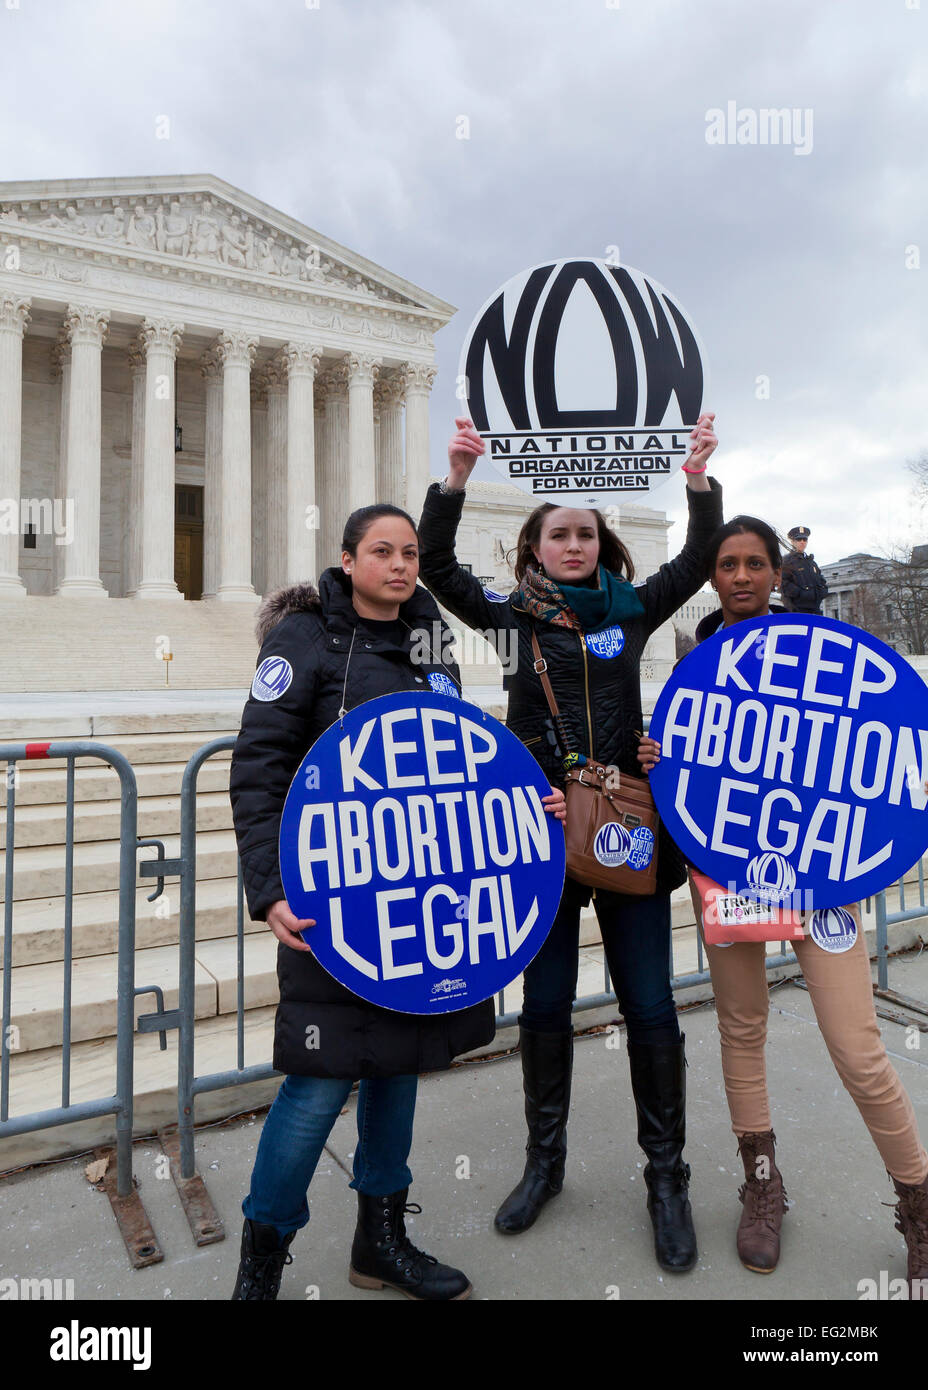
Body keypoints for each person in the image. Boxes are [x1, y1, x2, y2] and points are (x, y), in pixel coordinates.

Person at [228, 501, 567, 1301]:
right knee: (315, 1084)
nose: (401, 564)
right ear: (347, 560)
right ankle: (261, 1265)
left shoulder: (429, 639)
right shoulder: (304, 639)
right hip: (333, 909)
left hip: (419, 910)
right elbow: (260, 765)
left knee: (398, 1073)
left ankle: (380, 1243)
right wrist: (268, 890)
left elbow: (454, 757)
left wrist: (527, 796)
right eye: (382, 551)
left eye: (410, 551)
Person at [417, 414, 723, 1272]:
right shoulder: (515, 618)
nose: (576, 544)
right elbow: (438, 570)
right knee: (545, 1007)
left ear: (604, 546)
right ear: (535, 548)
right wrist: (455, 478)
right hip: (544, 840)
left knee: (652, 1009)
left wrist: (697, 484)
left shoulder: (631, 611)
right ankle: (543, 1165)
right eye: (560, 534)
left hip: (627, 833)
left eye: (587, 533)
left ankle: (668, 1179)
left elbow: (696, 562)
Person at [637, 516, 928, 1291]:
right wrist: (657, 754)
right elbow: (681, 773)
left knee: (859, 1048)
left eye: (753, 563)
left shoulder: (823, 656)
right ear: (713, 577)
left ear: (777, 573)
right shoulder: (694, 665)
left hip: (824, 882)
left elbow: (882, 746)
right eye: (726, 563)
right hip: (730, 877)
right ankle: (762, 1187)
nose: (738, 575)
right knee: (741, 1028)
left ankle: (919, 1204)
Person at [780, 524, 828, 614]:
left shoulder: (812, 563)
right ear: (792, 542)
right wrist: (800, 594)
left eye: (804, 539)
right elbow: (783, 583)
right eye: (798, 539)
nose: (802, 542)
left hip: (815, 609)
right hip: (797, 610)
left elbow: (821, 580)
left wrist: (822, 592)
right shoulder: (787, 561)